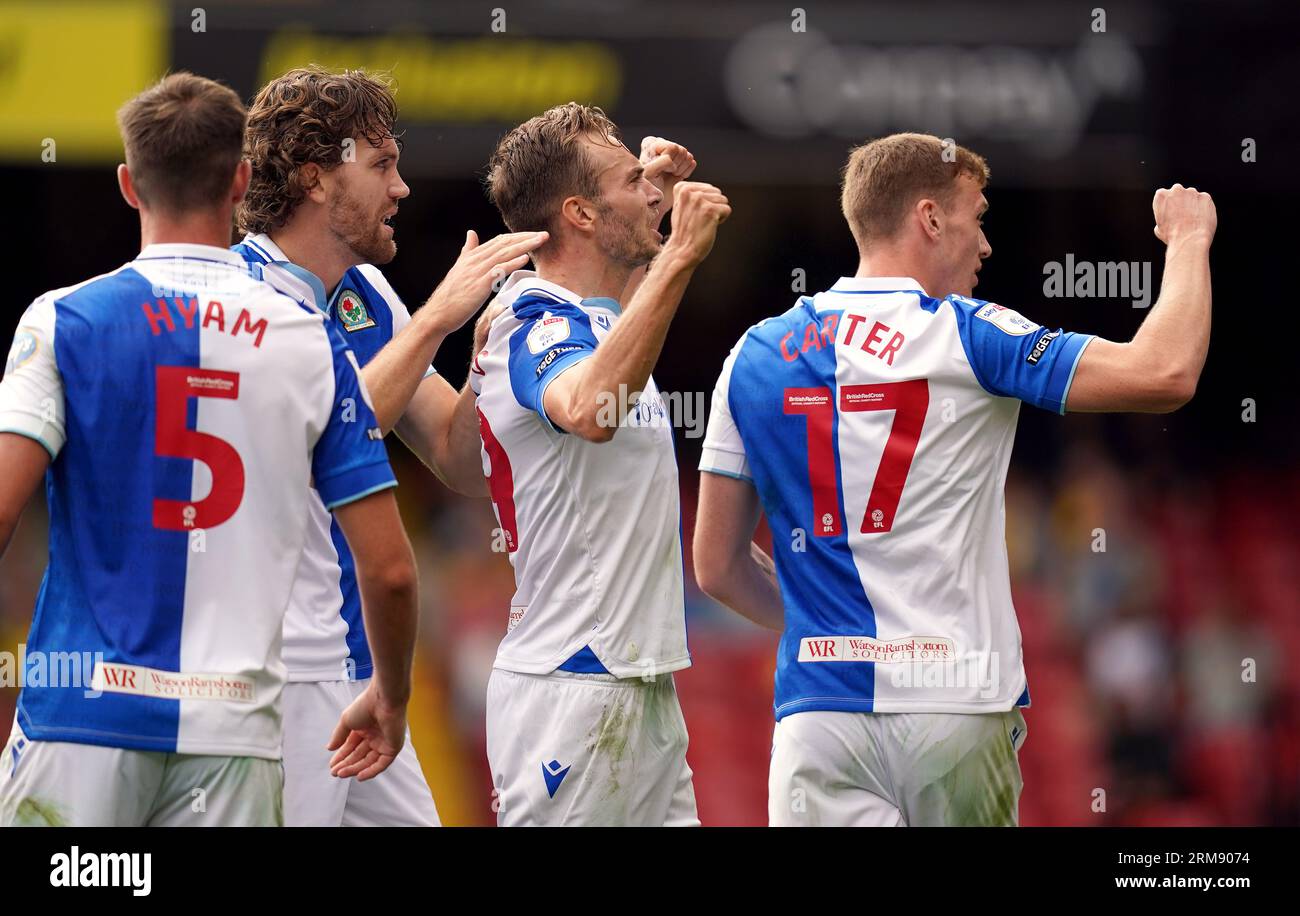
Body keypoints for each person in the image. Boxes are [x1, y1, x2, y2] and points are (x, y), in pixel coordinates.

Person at [692, 132, 1215, 826]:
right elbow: (1166, 372)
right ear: (931, 218)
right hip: (954, 704)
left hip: (819, 711)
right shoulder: (970, 334)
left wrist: (829, 632)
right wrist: (1187, 242)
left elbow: (715, 565)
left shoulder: (753, 354)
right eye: (978, 218)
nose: (987, 245)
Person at [0, 73, 419, 827]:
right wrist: (391, 696)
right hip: (233, 740)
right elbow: (388, 571)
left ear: (129, 184)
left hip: (81, 722)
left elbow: (2, 512)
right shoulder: (308, 337)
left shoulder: (63, 319)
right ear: (241, 180)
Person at [233, 67, 547, 827]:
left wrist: (485, 355)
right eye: (380, 166)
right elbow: (310, 445)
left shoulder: (364, 295)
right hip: (274, 672)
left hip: (359, 672)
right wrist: (437, 317)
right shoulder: (240, 296)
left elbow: (458, 458)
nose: (402, 188)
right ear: (315, 178)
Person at [473, 103, 727, 825]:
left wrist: (654, 207)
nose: (654, 191)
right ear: (580, 213)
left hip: (638, 684)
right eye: (630, 181)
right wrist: (678, 254)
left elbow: (618, 336)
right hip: (572, 688)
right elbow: (589, 411)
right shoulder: (529, 317)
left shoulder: (598, 323)